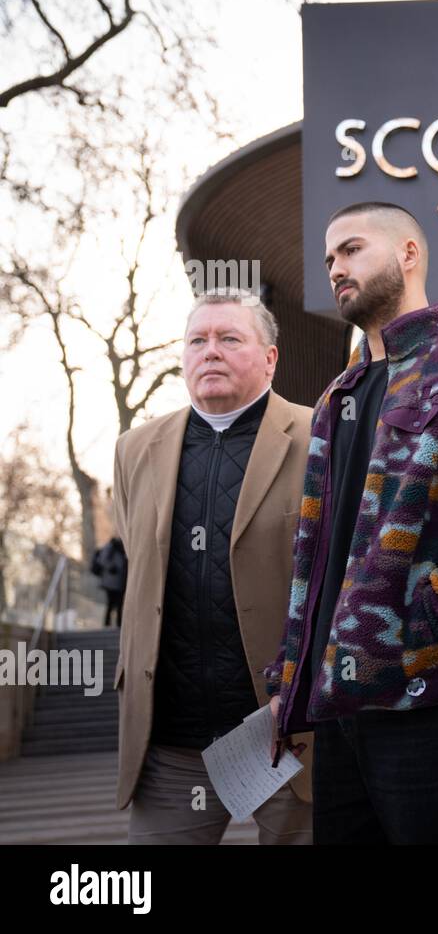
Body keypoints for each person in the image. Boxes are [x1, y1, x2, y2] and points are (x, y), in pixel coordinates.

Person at [264, 201, 438, 844]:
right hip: (339, 706)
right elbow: (317, 555)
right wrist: (290, 676)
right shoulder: (336, 397)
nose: (336, 269)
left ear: (408, 254)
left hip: (433, 698)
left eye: (351, 249)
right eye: (328, 259)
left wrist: (421, 631)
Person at [111, 289, 314, 844]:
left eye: (229, 338)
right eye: (198, 340)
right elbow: (139, 565)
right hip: (173, 743)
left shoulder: (322, 435)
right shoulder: (135, 450)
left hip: (285, 734)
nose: (210, 351)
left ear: (270, 358)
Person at [90, 536, 127, 628]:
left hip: (119, 581)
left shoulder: (119, 548)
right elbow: (103, 560)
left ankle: (116, 624)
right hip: (112, 582)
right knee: (113, 603)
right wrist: (111, 567)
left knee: (117, 603)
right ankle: (109, 624)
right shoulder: (112, 547)